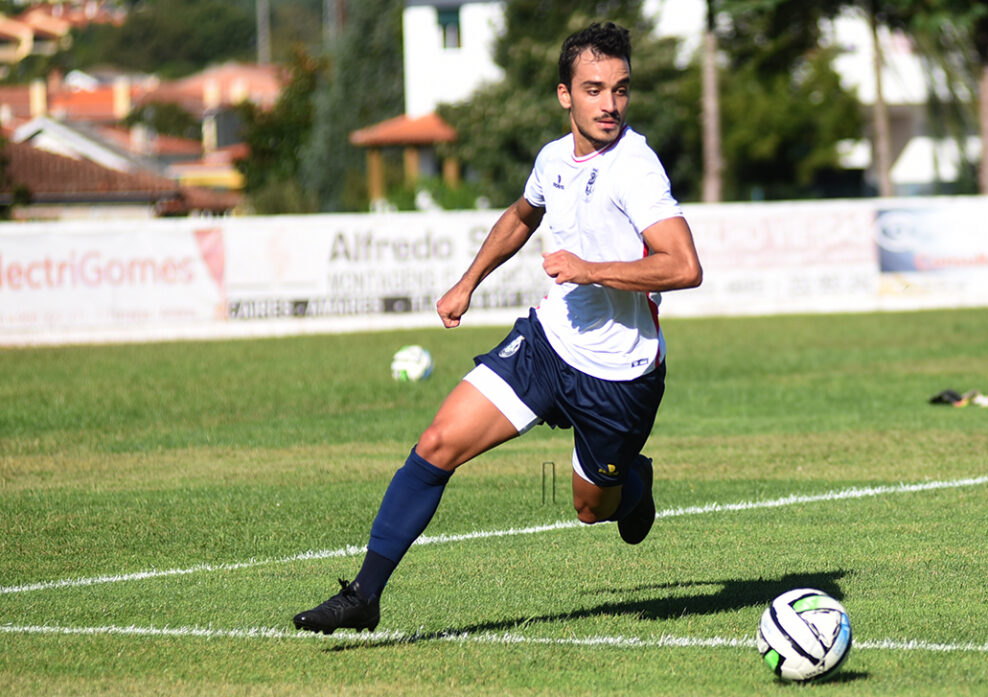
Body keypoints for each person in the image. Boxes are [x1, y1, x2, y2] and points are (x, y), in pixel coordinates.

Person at [293, 21, 703, 635]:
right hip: (546, 343)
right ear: (565, 95)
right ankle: (365, 595)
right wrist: (467, 283)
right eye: (594, 90)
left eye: (620, 90)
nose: (610, 105)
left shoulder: (635, 168)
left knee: (592, 510)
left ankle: (634, 482)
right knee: (436, 444)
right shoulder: (552, 159)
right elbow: (521, 215)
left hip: (619, 377)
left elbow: (684, 266)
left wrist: (590, 270)